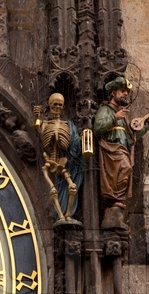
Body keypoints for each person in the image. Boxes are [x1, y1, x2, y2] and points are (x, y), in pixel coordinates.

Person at [93, 76, 149, 231]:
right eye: (122, 91)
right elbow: (98, 128)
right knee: (125, 168)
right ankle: (113, 205)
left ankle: (117, 207)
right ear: (113, 93)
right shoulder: (106, 110)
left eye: (127, 92)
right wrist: (114, 118)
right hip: (111, 152)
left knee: (126, 170)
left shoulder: (122, 114)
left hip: (122, 150)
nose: (125, 94)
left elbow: (131, 136)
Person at [33, 92, 84, 226]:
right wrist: (37, 116)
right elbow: (39, 128)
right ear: (49, 106)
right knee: (55, 188)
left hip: (65, 161)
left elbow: (75, 142)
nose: (57, 108)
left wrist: (82, 140)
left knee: (72, 186)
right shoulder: (44, 124)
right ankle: (60, 215)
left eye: (60, 105)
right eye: (55, 105)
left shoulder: (69, 125)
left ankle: (67, 214)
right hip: (50, 160)